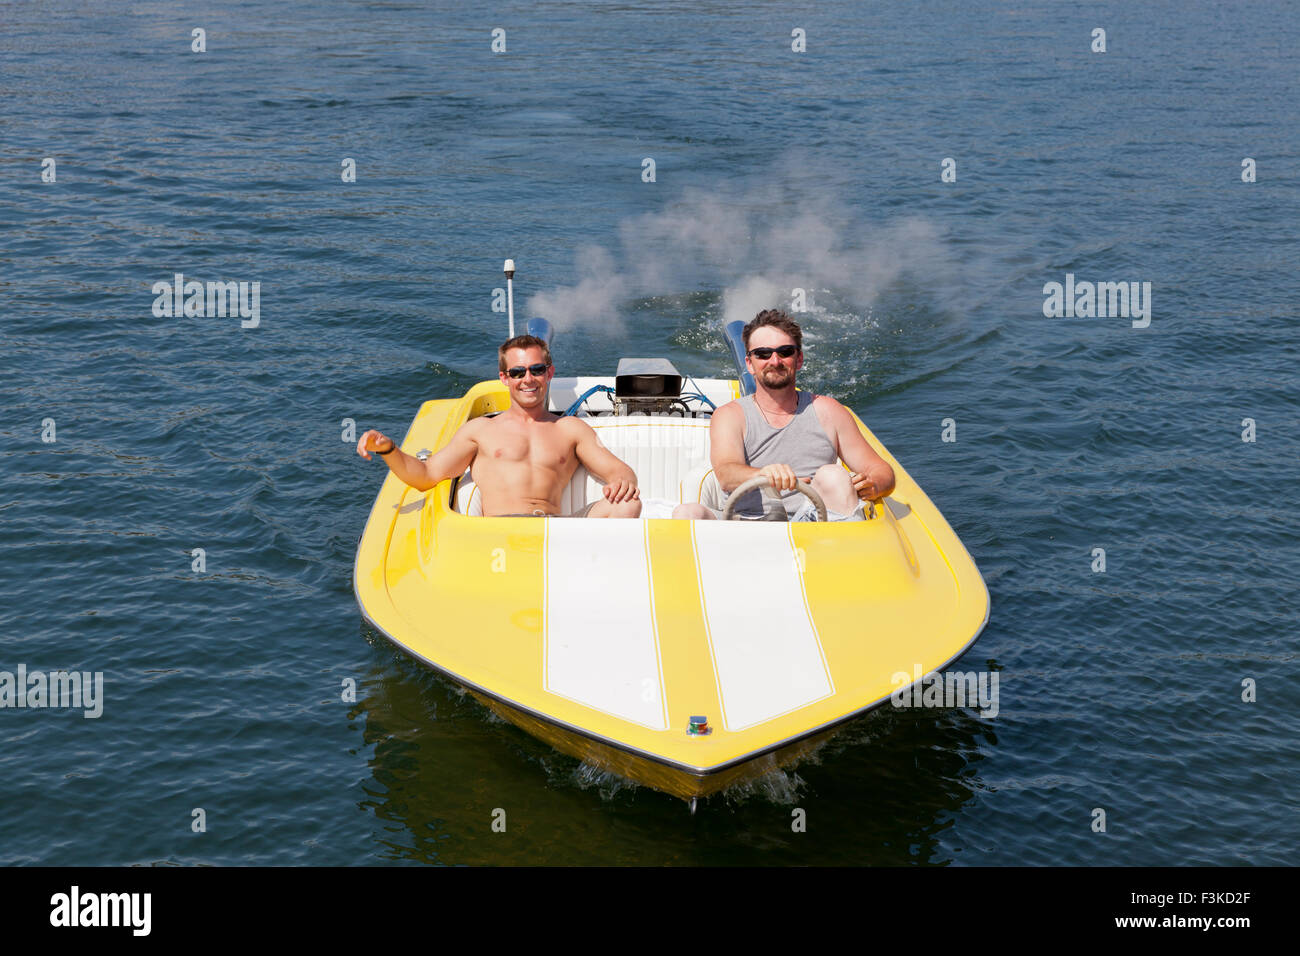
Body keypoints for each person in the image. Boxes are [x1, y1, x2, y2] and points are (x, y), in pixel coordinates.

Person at [357, 335, 642, 518]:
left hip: (558, 532)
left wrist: (623, 480)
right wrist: (389, 449)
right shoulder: (481, 431)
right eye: (517, 372)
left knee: (628, 505)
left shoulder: (570, 429)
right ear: (505, 378)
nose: (527, 379)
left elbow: (618, 470)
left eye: (537, 369)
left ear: (549, 373)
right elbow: (426, 474)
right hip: (501, 534)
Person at [673, 310, 895, 521]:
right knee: (686, 512)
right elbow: (726, 473)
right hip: (743, 526)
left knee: (833, 476)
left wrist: (874, 484)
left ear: (798, 359)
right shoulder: (729, 416)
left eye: (785, 352)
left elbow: (882, 471)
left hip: (813, 525)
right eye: (763, 354)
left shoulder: (829, 411)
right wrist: (765, 475)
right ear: (749, 364)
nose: (774, 361)